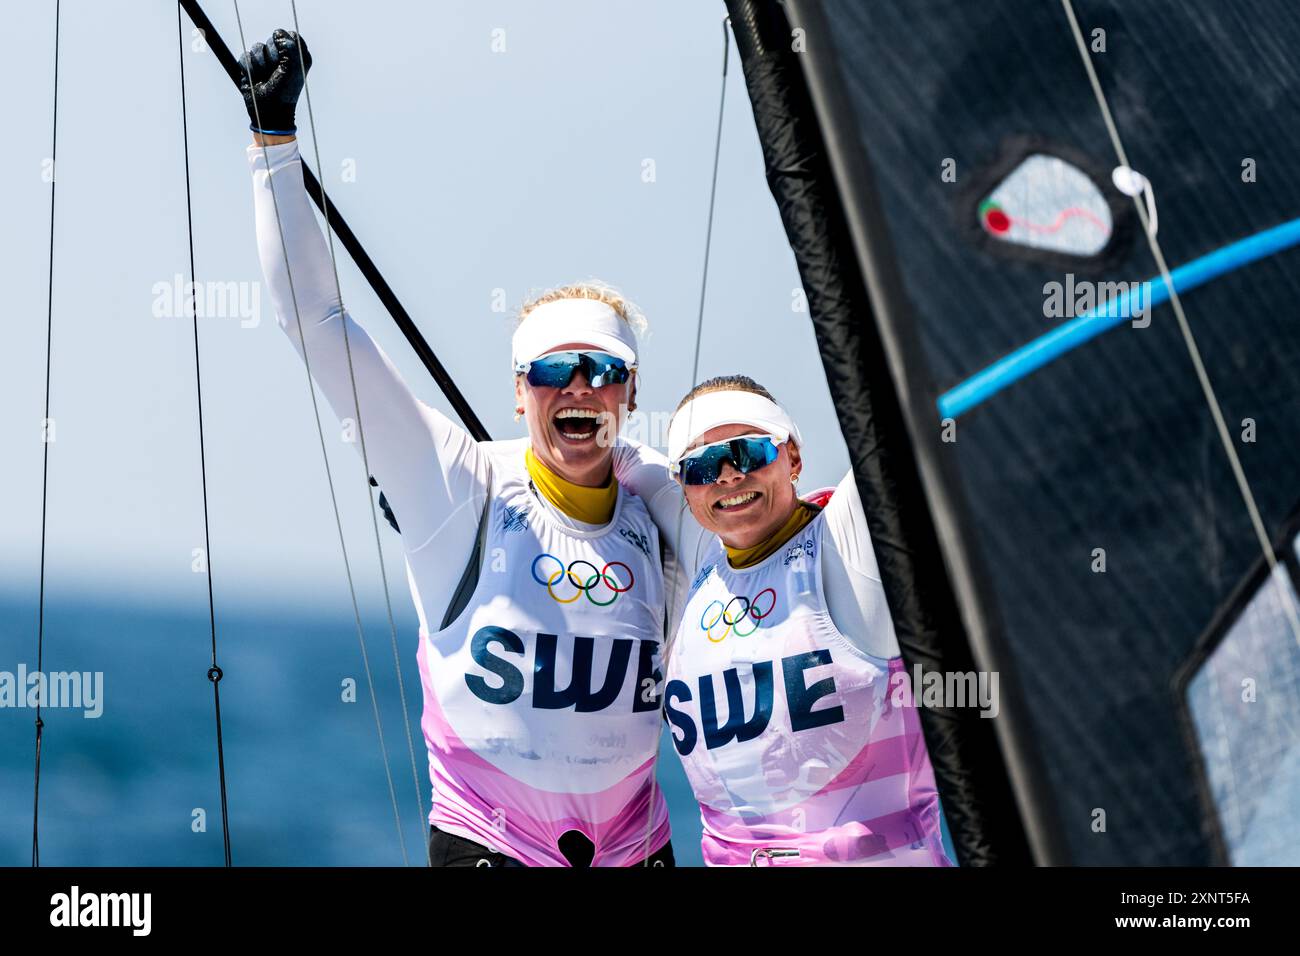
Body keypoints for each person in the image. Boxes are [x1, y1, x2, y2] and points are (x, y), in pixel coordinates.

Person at [238, 29, 672, 867]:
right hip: (488, 849)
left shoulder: (672, 501)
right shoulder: (454, 481)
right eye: (552, 369)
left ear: (630, 392)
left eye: (602, 370)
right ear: (519, 393)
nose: (577, 387)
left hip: (640, 850)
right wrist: (272, 143)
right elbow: (318, 326)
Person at [614, 375, 953, 866]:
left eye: (749, 452)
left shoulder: (848, 553)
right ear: (684, 488)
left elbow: (913, 401)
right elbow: (607, 451)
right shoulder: (705, 550)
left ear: (792, 456)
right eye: (702, 466)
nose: (728, 476)